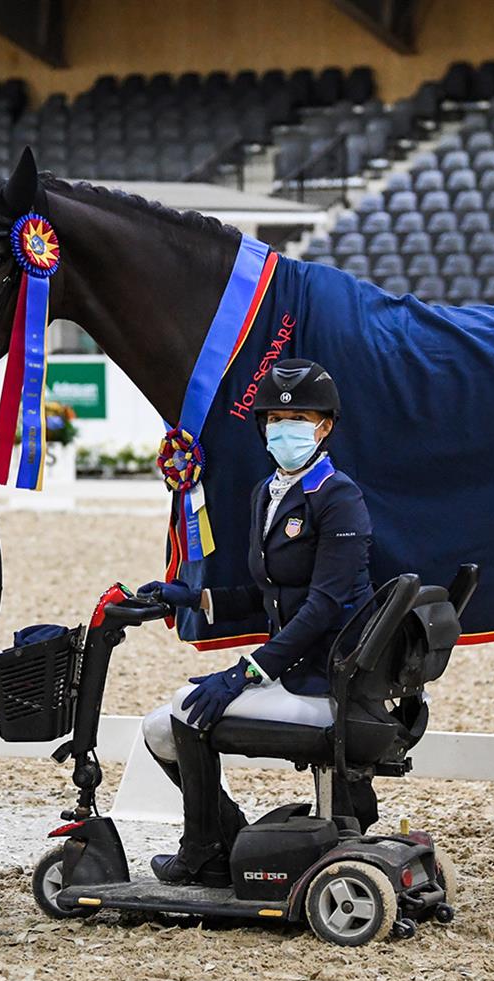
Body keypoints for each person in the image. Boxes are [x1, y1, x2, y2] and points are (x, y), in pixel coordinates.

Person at [139, 359, 375, 887]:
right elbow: (267, 594)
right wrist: (191, 597)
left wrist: (245, 674)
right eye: (273, 419)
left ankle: (202, 852)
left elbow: (323, 608)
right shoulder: (267, 493)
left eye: (298, 419)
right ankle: (228, 836)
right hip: (295, 671)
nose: (283, 429)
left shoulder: (339, 498)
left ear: (324, 427)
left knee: (185, 711)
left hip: (325, 682)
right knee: (158, 731)